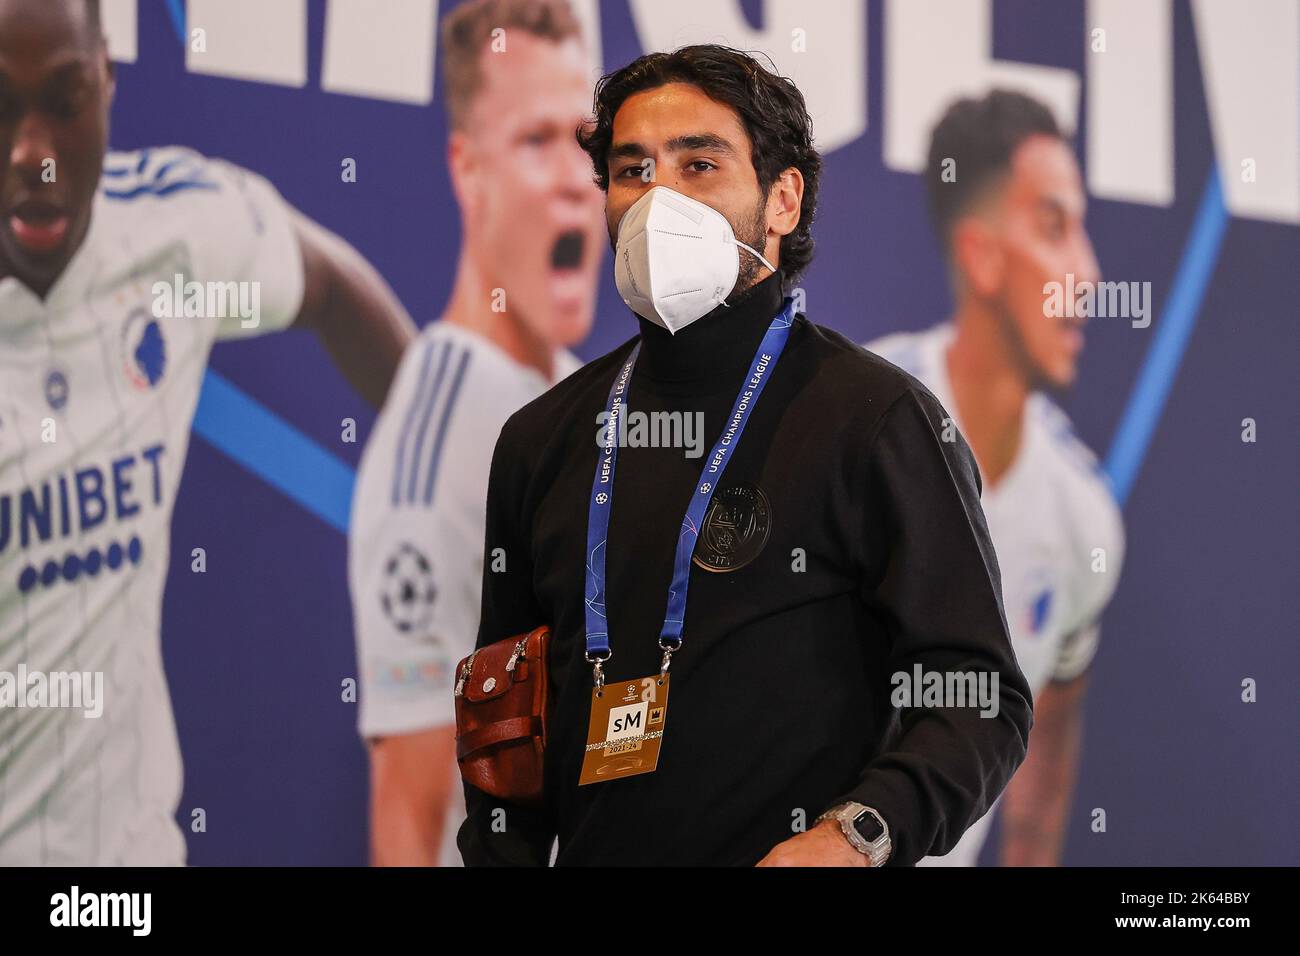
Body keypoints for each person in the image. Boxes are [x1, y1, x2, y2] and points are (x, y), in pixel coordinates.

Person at [457, 44, 1033, 867]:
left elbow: (981, 700)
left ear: (782, 200)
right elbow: (502, 730)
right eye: (632, 171)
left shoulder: (878, 421)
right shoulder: (540, 439)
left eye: (699, 165)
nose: (659, 202)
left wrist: (856, 836)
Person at [0, 0, 415, 864]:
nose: (30, 154)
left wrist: (451, 489)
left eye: (65, 100)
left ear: (109, 84)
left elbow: (334, 288)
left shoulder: (174, 238)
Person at [348, 0, 601, 867]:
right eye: (538, 141)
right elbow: (410, 821)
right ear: (468, 171)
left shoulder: (580, 395)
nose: (578, 178)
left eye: (586, 140)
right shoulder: (439, 440)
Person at [866, 89, 1126, 866]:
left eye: (1083, 230)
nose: (1088, 273)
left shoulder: (1083, 523)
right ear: (980, 255)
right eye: (1055, 228)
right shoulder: (848, 420)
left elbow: (1048, 746)